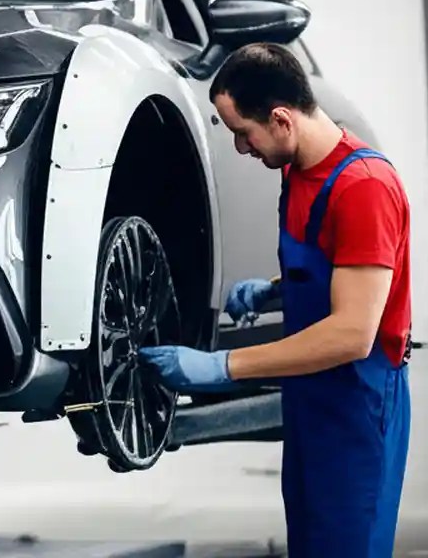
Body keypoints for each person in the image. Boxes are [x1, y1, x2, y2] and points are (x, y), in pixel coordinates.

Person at [140, 43, 412, 558]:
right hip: (310, 399)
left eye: (244, 133)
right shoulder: (296, 172)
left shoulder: (364, 189)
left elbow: (353, 334)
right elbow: (336, 268)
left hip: (358, 402)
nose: (242, 148)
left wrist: (225, 365)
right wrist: (275, 290)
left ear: (282, 119)